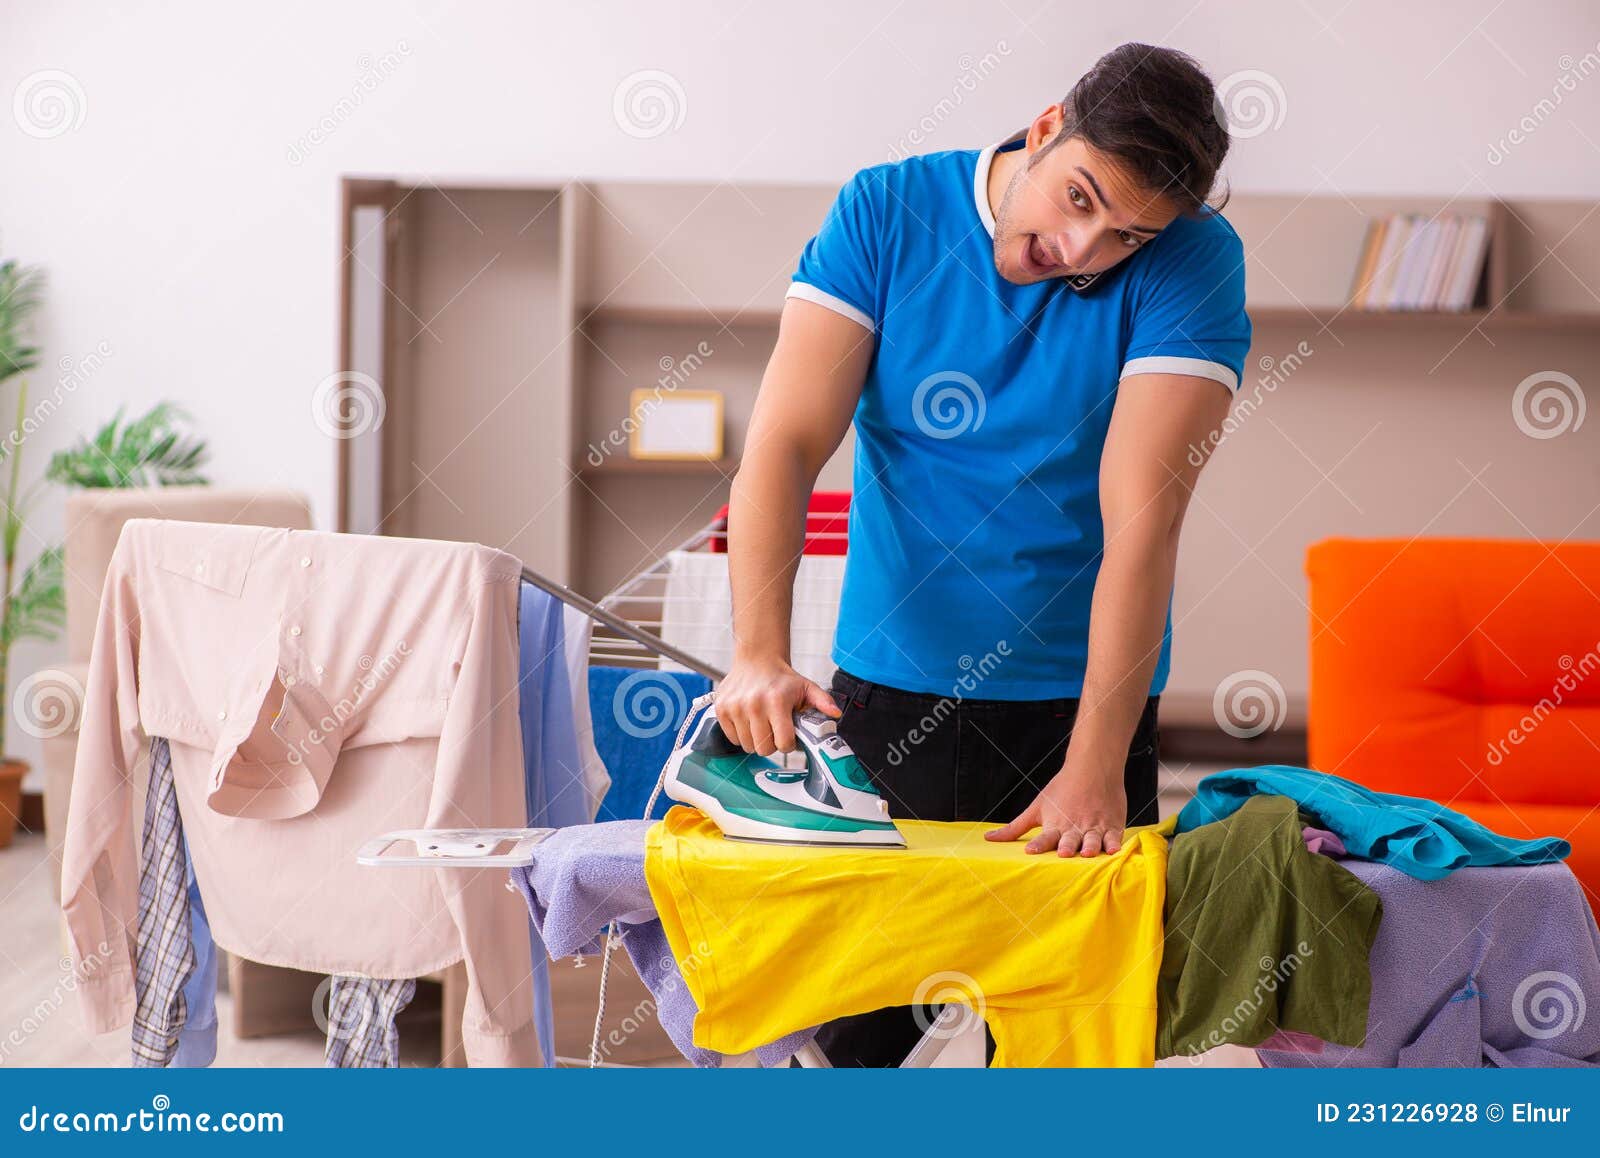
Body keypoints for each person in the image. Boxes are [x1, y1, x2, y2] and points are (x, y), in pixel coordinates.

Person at [719, 42, 1249, 1066]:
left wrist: (1095, 765)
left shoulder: (1193, 260)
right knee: (863, 1040)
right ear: (1044, 126)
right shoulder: (886, 211)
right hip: (886, 698)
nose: (1085, 247)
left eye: (1126, 234)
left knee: (1077, 1053)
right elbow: (783, 445)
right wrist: (757, 651)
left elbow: (1142, 518)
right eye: (1079, 198)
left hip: (1082, 708)